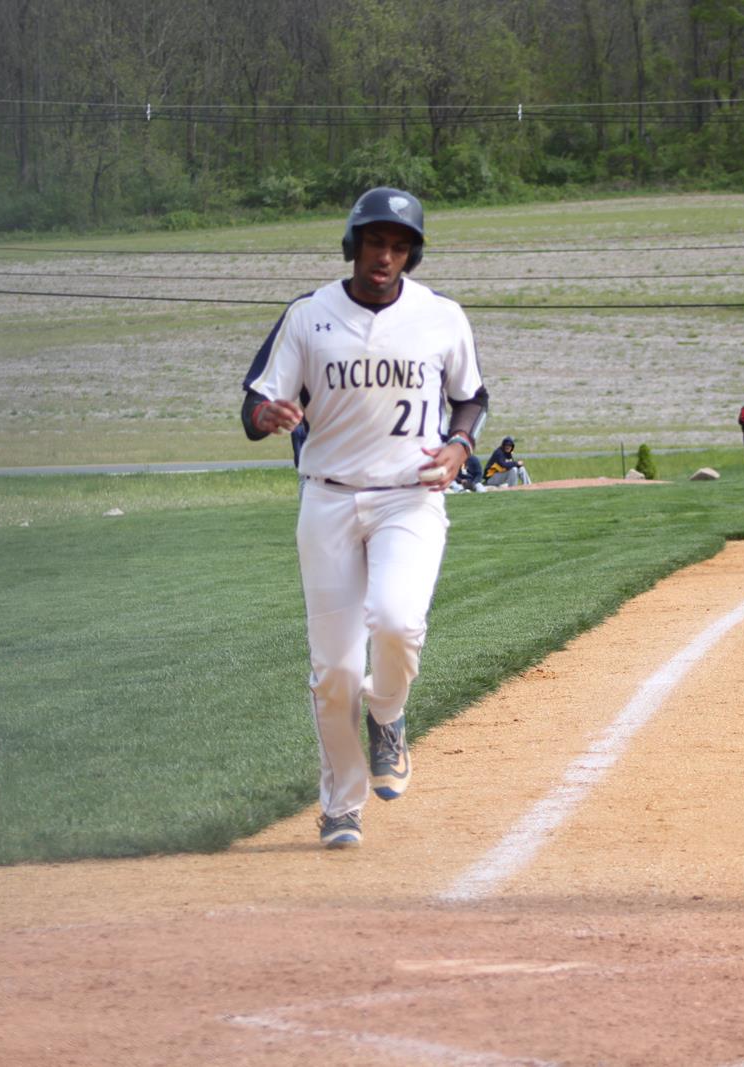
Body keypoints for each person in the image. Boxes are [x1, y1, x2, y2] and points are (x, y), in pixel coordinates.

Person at [241, 186, 487, 849]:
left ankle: (389, 713)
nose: (385, 256)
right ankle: (341, 806)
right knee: (336, 672)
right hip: (327, 499)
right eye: (376, 242)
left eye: (400, 246)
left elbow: (471, 396)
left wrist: (461, 445)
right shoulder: (309, 315)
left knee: (398, 621)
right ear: (354, 244)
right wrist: (267, 415)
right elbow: (256, 404)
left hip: (411, 495)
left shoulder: (441, 316)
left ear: (412, 255)